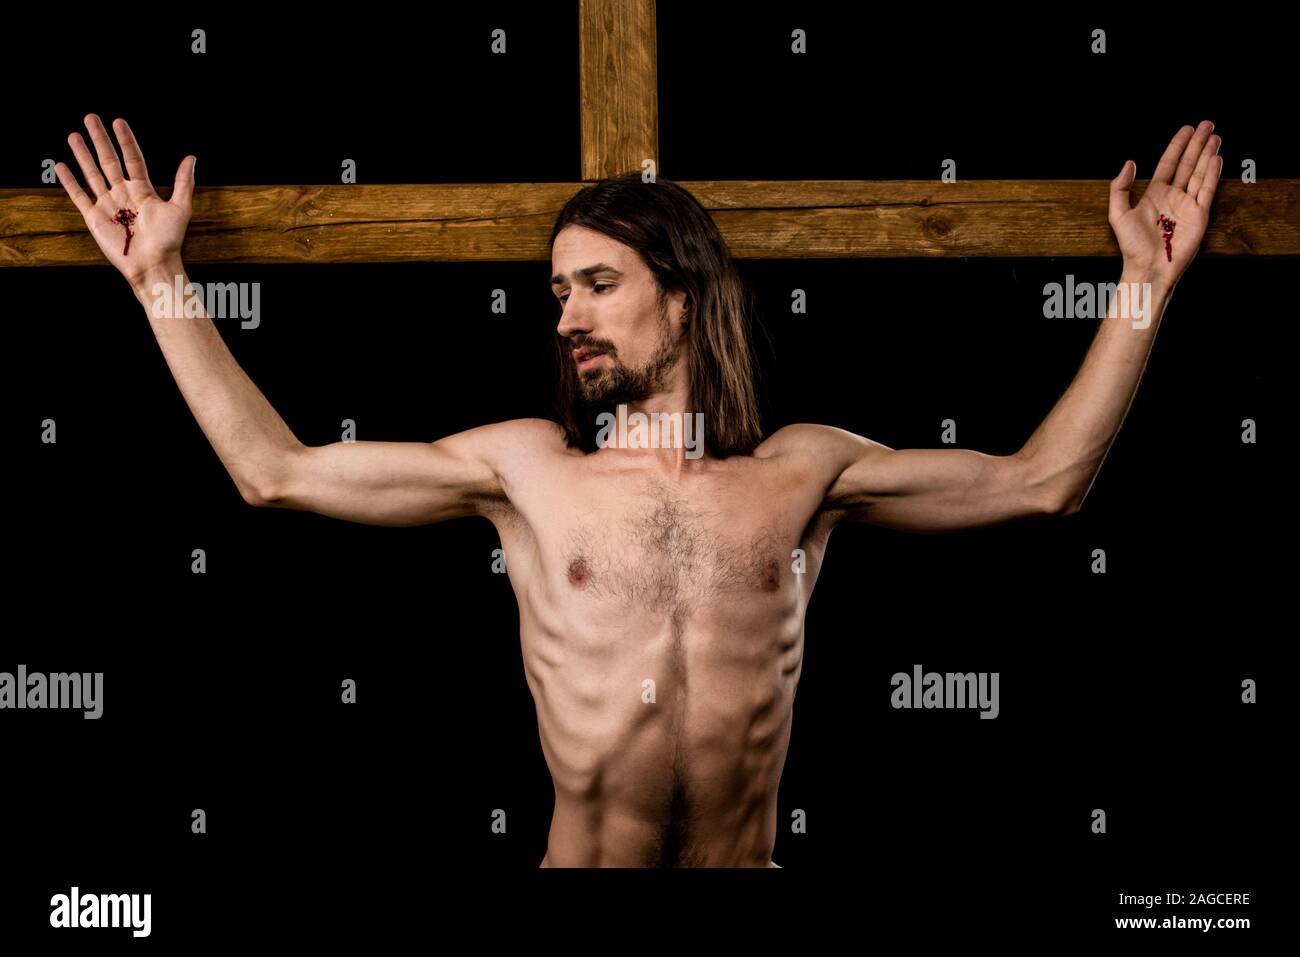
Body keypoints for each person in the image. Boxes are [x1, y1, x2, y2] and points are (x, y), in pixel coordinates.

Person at [55, 114, 1222, 867]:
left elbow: (1041, 483)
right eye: (555, 290)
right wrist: (158, 277)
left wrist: (1141, 286)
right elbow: (274, 472)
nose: (563, 317)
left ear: (681, 292)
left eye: (596, 284)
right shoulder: (525, 470)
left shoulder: (806, 471)